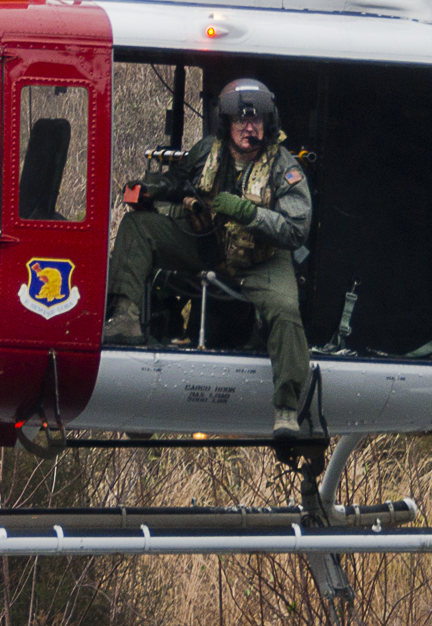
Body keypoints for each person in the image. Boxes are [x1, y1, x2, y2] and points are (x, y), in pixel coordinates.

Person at [104, 75, 315, 435]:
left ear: (268, 122)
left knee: (285, 310)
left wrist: (248, 212)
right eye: (241, 121)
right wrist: (151, 188)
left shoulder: (284, 167)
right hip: (208, 245)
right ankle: (125, 317)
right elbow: (180, 180)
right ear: (227, 124)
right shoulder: (207, 151)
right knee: (138, 227)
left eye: (256, 120)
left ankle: (286, 407)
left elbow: (296, 229)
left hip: (261, 259)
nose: (249, 127)